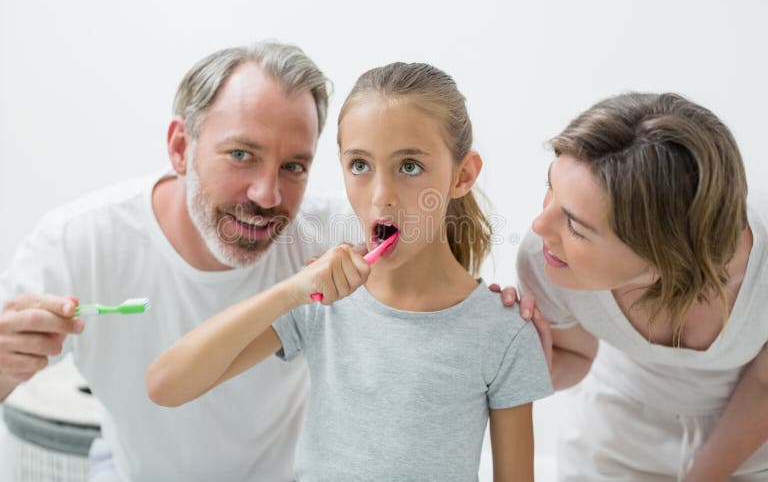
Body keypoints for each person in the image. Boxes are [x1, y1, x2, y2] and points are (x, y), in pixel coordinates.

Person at [147, 62, 553, 481]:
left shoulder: (503, 334)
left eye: (409, 166)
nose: (381, 196)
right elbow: (165, 385)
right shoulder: (321, 302)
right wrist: (290, 293)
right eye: (360, 165)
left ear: (462, 175)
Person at [0, 42, 356, 481]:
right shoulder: (83, 241)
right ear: (180, 147)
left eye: (294, 167)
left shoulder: (331, 236)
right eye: (241, 155)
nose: (267, 195)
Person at [509, 93, 768, 481]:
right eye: (551, 187)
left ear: (663, 256)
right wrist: (522, 370)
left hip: (747, 447)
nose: (539, 227)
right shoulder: (545, 257)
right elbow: (576, 356)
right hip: (610, 443)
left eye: (576, 226)